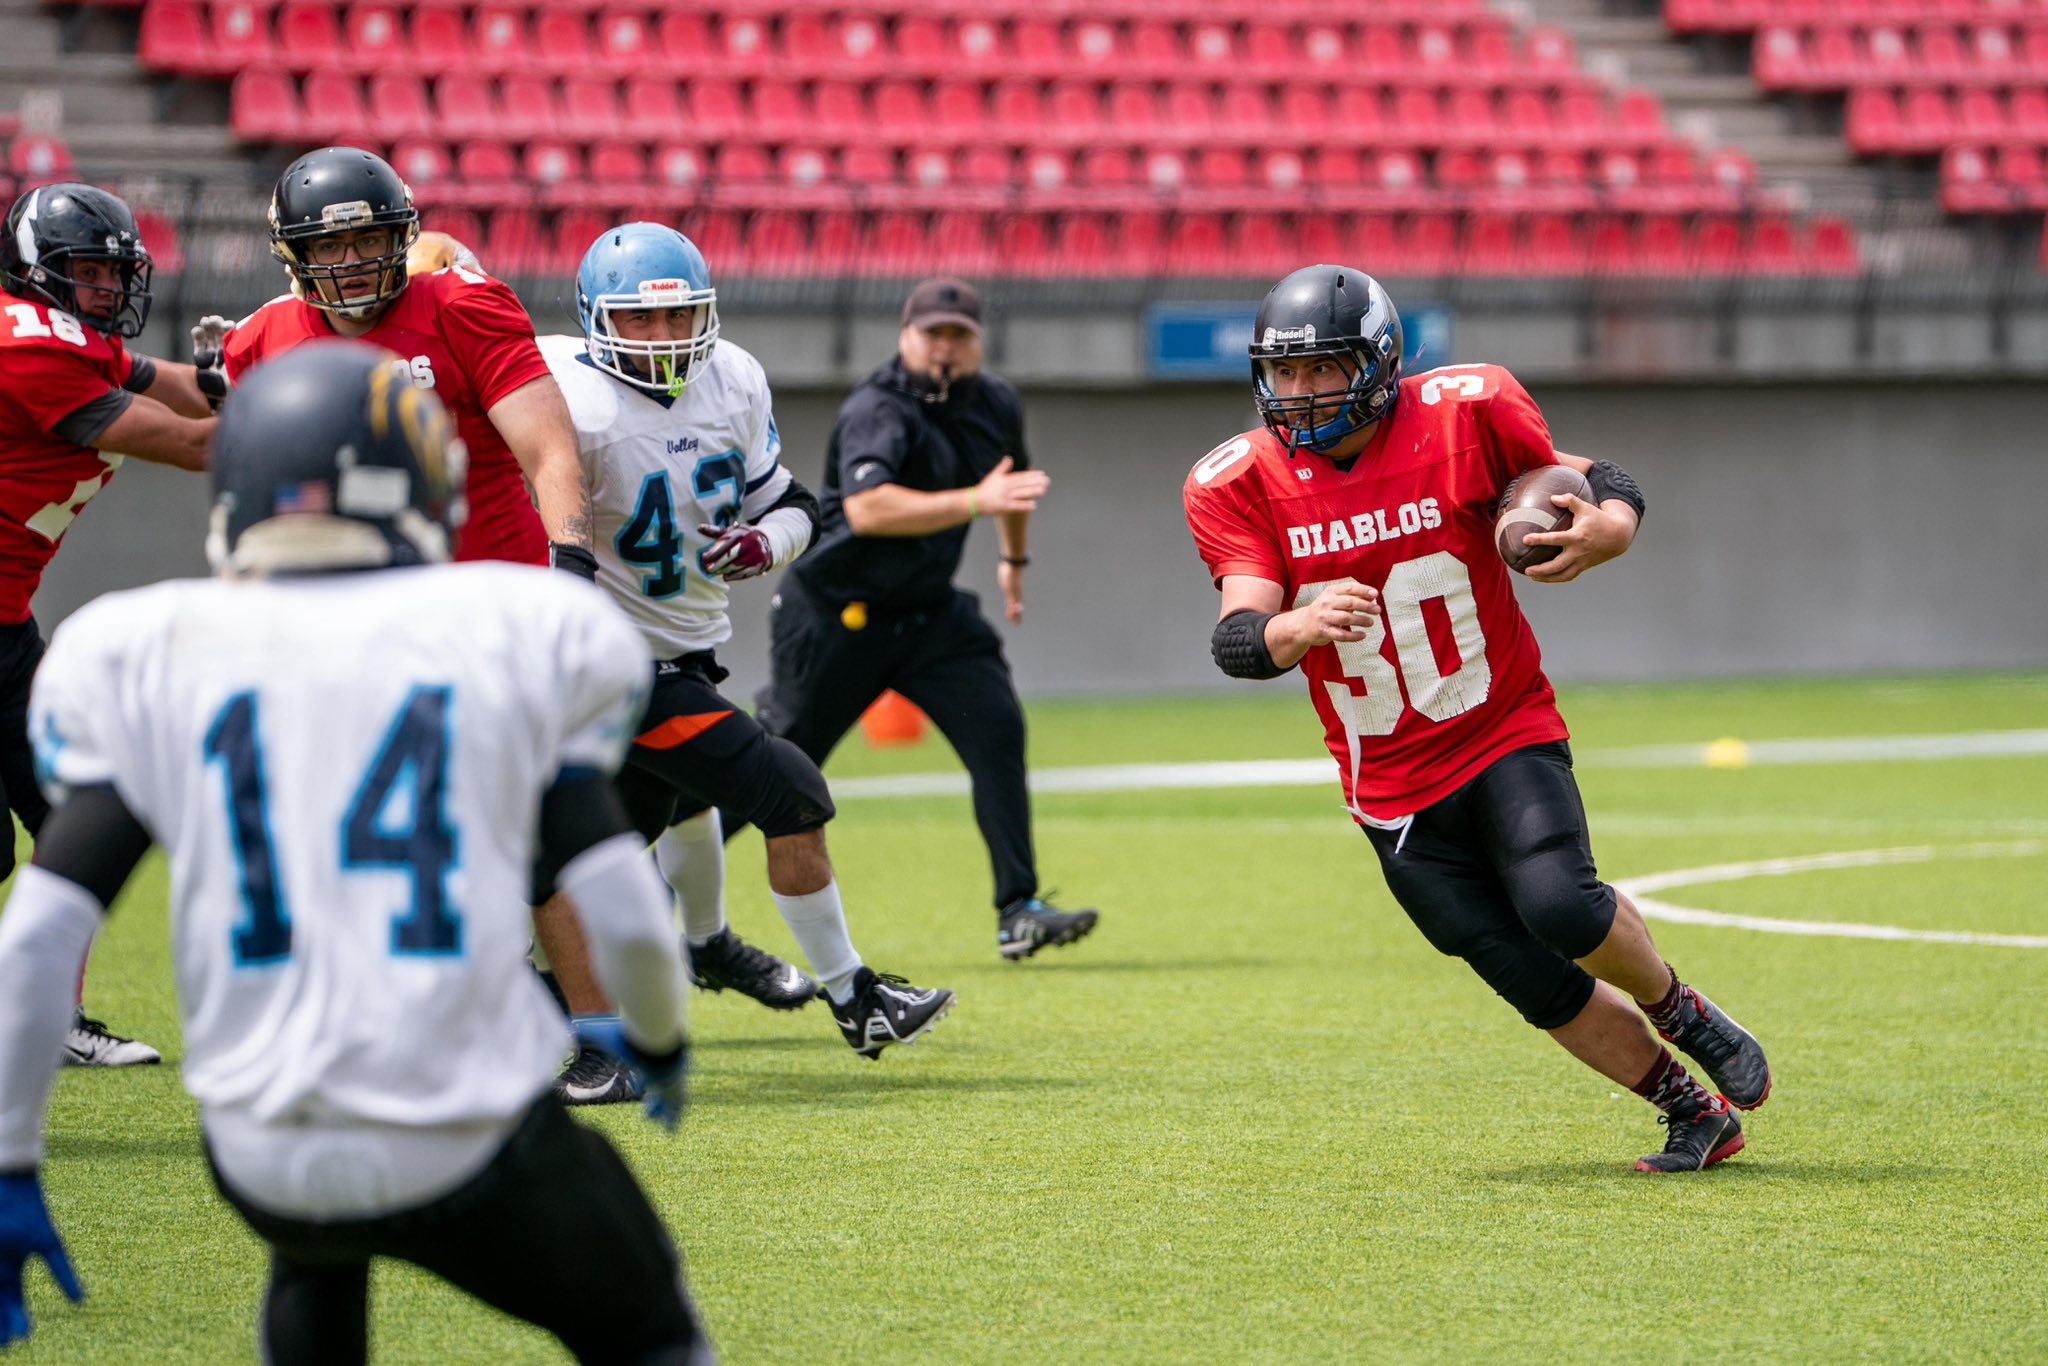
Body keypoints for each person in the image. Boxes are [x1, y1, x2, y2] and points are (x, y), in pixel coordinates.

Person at [0, 342, 712, 1361]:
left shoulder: (149, 651)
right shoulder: (506, 633)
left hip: (261, 1152)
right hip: (463, 1134)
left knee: (315, 1256)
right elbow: (622, 901)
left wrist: (11, 1159)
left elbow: (38, 934)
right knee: (651, 1331)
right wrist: (659, 1040)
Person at [1182, 264, 1771, 1173]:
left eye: (1322, 367)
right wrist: (1296, 625)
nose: (1299, 391)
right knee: (1526, 976)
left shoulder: (1467, 412)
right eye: (1284, 371)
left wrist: (1614, 526)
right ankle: (1692, 1111)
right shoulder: (1238, 481)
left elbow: (1598, 476)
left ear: (1378, 362)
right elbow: (1238, 637)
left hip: (1500, 725)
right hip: (1387, 782)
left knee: (1559, 903)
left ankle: (1678, 1008)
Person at [203, 147, 614, 1090]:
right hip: (356, 626)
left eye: (368, 241)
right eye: (329, 247)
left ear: (401, 237)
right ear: (294, 255)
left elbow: (550, 450)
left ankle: (604, 1034)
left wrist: (572, 569)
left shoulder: (464, 306)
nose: (351, 263)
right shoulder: (262, 339)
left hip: (490, 605)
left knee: (531, 826)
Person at [537, 223, 953, 1080]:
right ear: (594, 318)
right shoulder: (564, 395)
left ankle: (552, 1006)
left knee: (581, 859)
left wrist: (769, 543)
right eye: (640, 319)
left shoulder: (732, 378)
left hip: (686, 650)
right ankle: (856, 996)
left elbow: (796, 503)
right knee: (789, 789)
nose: (664, 338)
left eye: (679, 316)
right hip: (616, 670)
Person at [743, 277, 1097, 962]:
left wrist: (1013, 561)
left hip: (930, 615)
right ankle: (661, 884)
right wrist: (976, 502)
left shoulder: (995, 402)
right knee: (772, 767)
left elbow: (1011, 486)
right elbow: (869, 508)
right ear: (906, 336)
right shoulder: (878, 409)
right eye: (933, 333)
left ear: (978, 343)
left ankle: (1018, 910)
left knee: (997, 729)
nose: (945, 347)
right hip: (838, 616)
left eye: (959, 335)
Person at [0, 180, 221, 1068]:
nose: (104, 289)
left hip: (8, 626)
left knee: (72, 812)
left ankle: (53, 1018)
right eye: (85, 272)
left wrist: (269, 368)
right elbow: (195, 442)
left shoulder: (72, 341)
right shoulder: (28, 348)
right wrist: (327, 413)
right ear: (34, 272)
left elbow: (185, 388)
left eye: (112, 272)